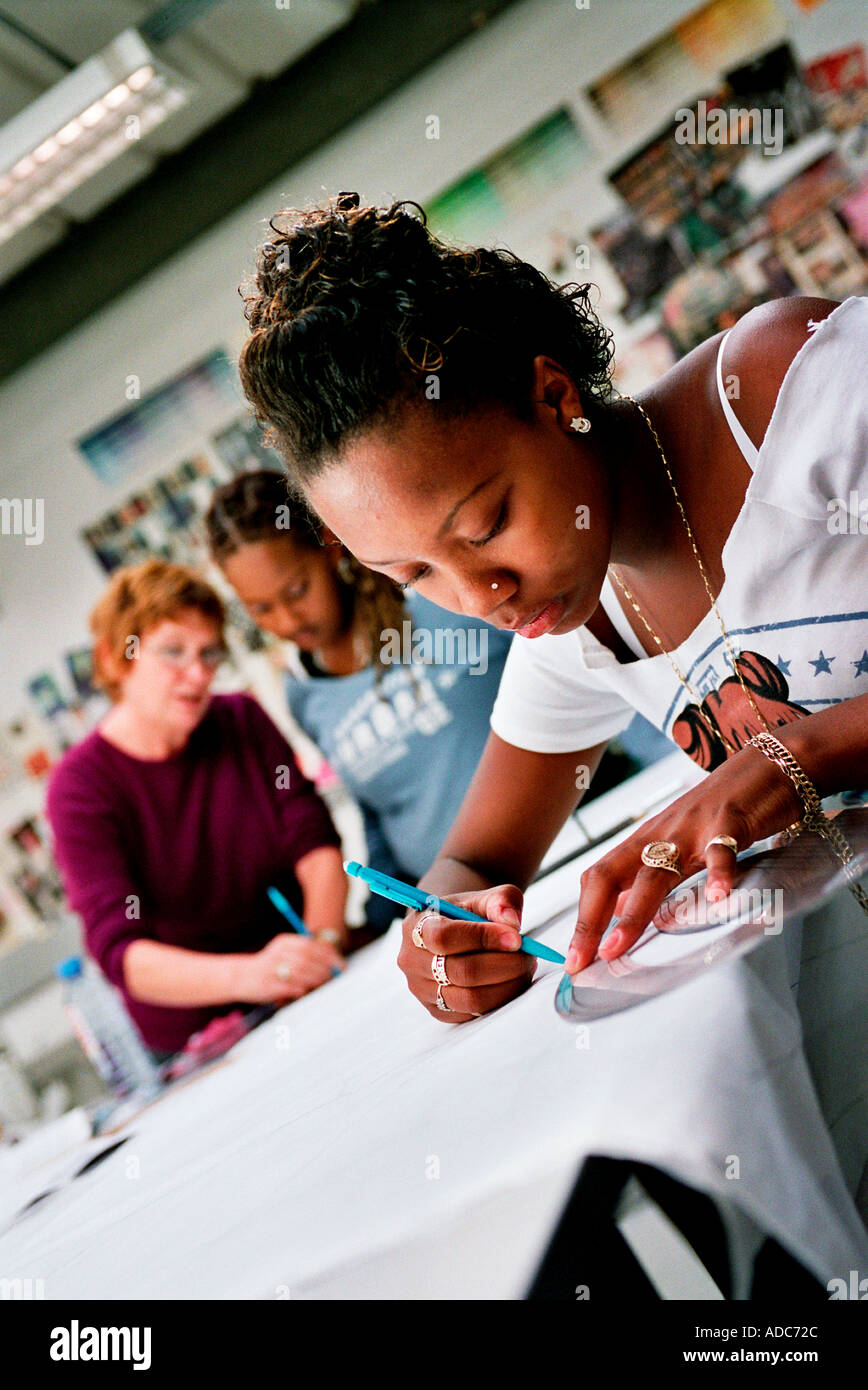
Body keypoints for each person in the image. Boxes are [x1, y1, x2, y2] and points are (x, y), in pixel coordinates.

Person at [235, 192, 868, 1025]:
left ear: (554, 394)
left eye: (488, 524)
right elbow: (471, 857)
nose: (480, 597)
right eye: (416, 573)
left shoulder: (782, 389)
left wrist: (794, 757)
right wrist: (443, 938)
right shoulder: (580, 616)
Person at [46, 559, 348, 1058]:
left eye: (209, 654)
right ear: (116, 660)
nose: (198, 674)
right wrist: (251, 975)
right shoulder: (80, 787)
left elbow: (313, 842)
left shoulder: (242, 721)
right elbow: (122, 952)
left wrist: (323, 943)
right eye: (173, 653)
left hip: (299, 992)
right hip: (197, 1043)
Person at [203, 469, 512, 933]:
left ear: (328, 545)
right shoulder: (303, 692)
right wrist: (372, 922)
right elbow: (380, 815)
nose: (287, 621)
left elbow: (566, 675)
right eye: (261, 608)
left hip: (557, 845)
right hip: (454, 907)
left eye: (296, 591)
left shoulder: (438, 597)